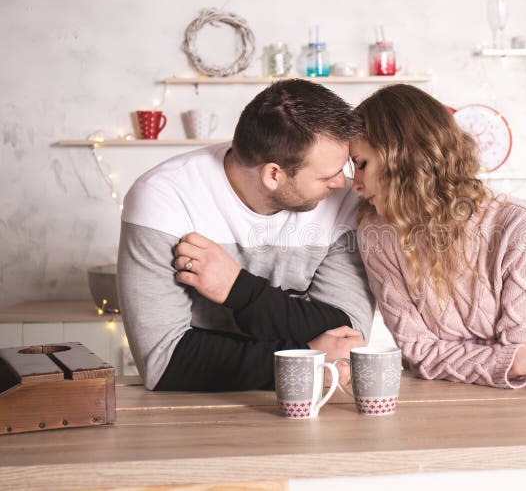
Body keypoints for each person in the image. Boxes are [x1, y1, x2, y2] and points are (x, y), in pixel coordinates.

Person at [117, 79, 374, 391]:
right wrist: (309, 357)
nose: (343, 182)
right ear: (273, 175)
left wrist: (238, 290)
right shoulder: (164, 198)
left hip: (310, 404)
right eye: (327, 175)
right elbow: (165, 362)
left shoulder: (345, 200)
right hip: (189, 411)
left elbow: (346, 336)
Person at [351, 84, 526, 390]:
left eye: (362, 164)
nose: (356, 184)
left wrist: (519, 360)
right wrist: (516, 360)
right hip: (437, 403)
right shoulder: (377, 232)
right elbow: (419, 353)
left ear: (402, 158)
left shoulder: (521, 226)